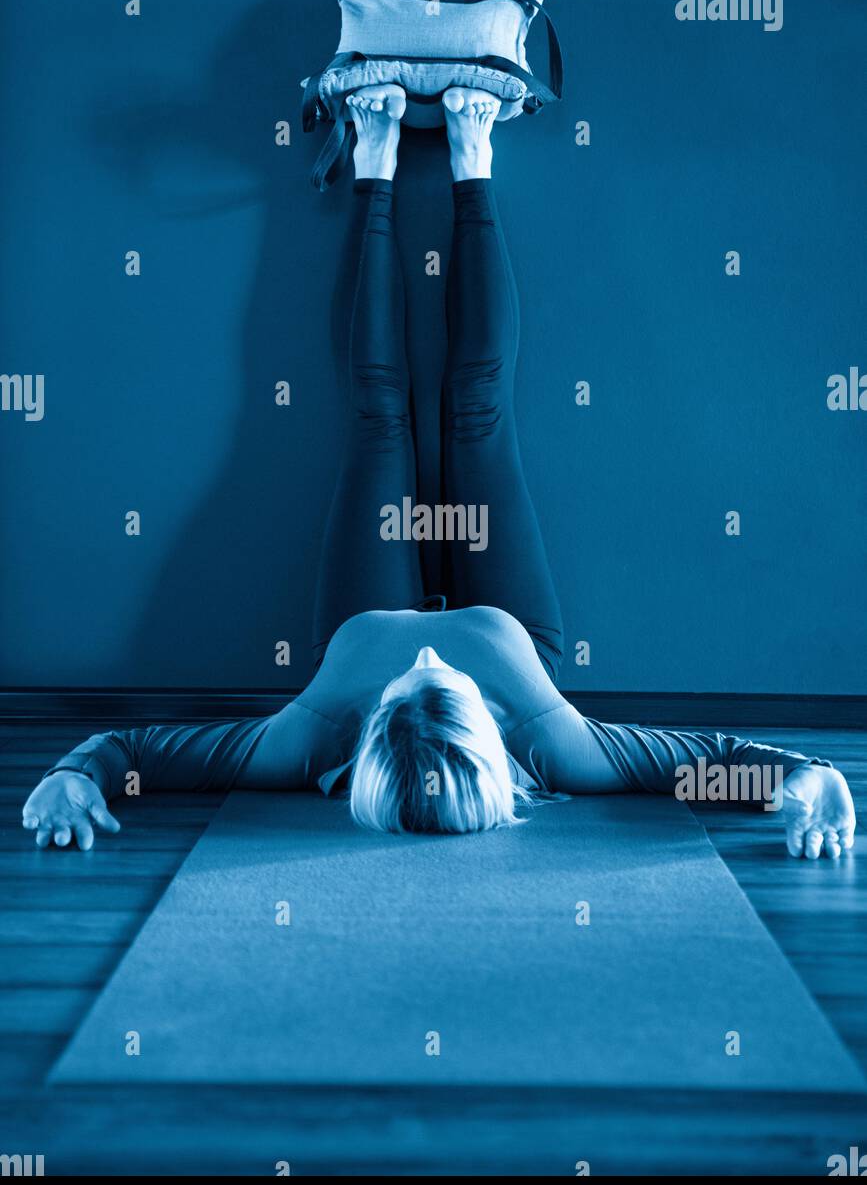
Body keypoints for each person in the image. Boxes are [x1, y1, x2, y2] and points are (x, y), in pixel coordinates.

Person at [22, 86, 856, 857]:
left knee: (380, 414)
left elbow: (139, 750)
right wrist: (803, 775)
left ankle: (375, 164)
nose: (423, 656)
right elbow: (710, 759)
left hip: (361, 619)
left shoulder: (307, 736)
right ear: (502, 742)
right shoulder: (556, 742)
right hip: (512, 633)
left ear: (362, 737)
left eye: (406, 681)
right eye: (441, 678)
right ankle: (472, 158)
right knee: (477, 410)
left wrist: (70, 775)